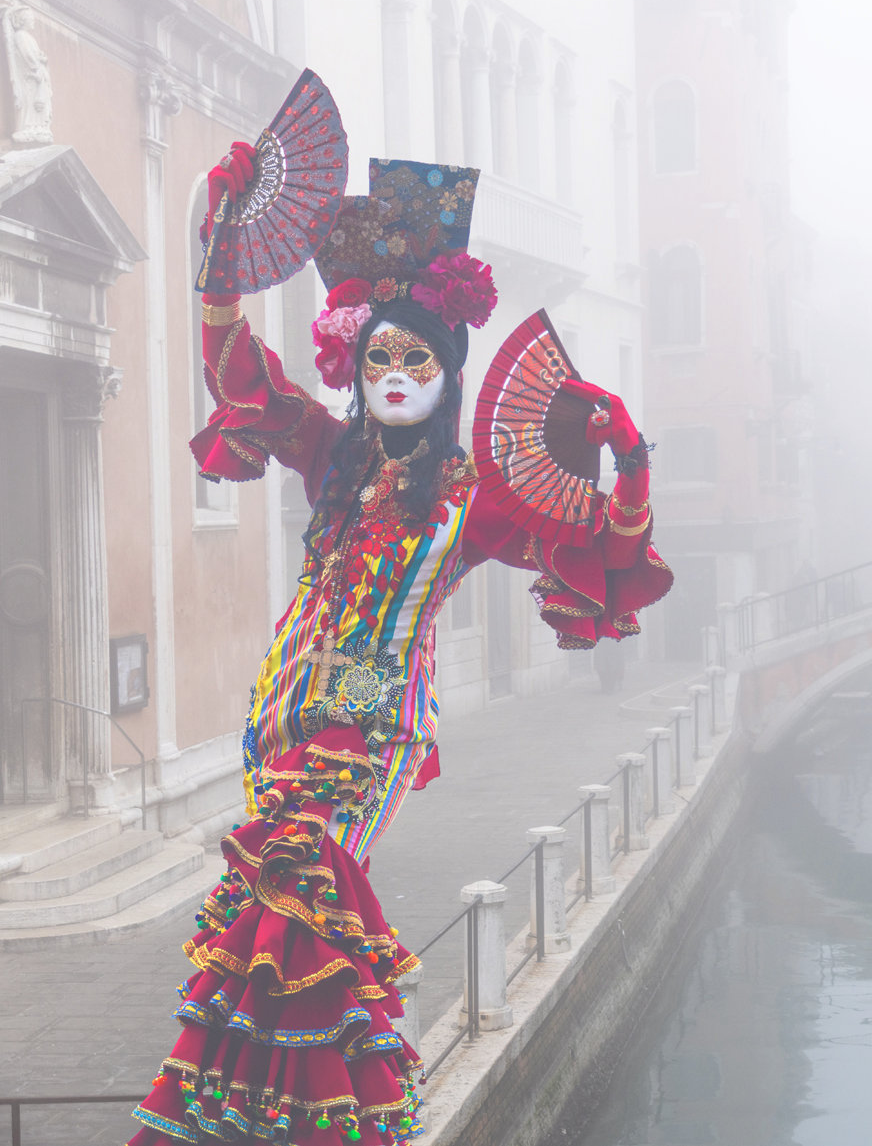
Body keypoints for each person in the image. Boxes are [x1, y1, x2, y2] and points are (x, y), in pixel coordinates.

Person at [127, 148, 670, 1146]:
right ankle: (257, 1114)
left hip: (372, 733)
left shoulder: (473, 496)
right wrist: (220, 253)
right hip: (284, 720)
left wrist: (628, 453)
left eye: (416, 360)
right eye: (379, 358)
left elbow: (604, 540)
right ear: (357, 367)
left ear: (447, 373)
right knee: (264, 907)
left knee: (302, 882)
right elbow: (240, 375)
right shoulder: (331, 455)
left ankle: (307, 1122)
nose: (394, 376)